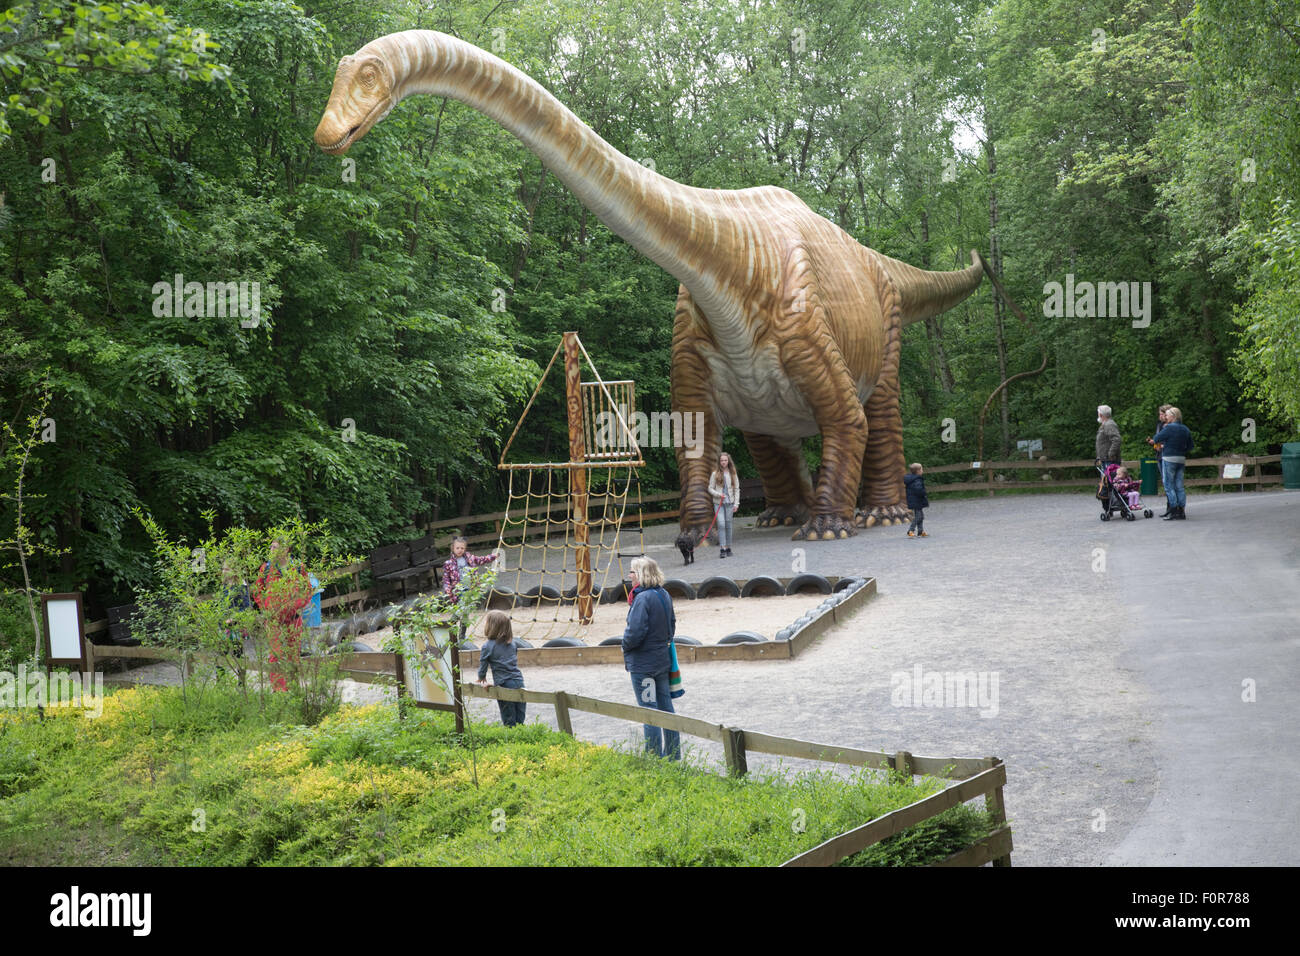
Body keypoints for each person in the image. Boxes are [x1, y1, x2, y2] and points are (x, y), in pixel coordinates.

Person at [620, 556, 680, 760]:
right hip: (662, 661)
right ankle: (673, 756)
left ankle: (653, 758)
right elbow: (672, 625)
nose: (629, 576)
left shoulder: (642, 598)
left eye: (632, 572)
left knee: (649, 712)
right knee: (666, 709)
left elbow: (635, 632)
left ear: (640, 574)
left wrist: (624, 646)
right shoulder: (664, 594)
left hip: (643, 664)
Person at [255, 537, 311, 692]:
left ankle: (293, 688)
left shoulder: (297, 567)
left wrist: (296, 605)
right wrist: (265, 608)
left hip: (293, 619)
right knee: (276, 655)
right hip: (273, 620)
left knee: (293, 654)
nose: (271, 550)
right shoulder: (266, 568)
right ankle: (279, 691)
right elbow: (257, 591)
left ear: (286, 550)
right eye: (271, 547)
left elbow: (307, 590)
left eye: (275, 547)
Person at [477, 610, 525, 727]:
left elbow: (483, 664)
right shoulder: (512, 644)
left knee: (508, 716)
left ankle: (511, 736)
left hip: (504, 684)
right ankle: (521, 734)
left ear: (491, 627)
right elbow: (509, 662)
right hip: (519, 681)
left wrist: (481, 677)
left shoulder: (487, 646)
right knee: (520, 715)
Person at [1150, 407, 1194, 520]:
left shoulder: (1169, 428)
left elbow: (1156, 438)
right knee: (1179, 485)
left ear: (1173, 416)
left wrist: (1166, 445)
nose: (1166, 417)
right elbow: (1190, 446)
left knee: (1169, 485)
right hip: (1181, 458)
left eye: (1168, 415)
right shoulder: (1185, 429)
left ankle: (1173, 510)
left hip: (1169, 457)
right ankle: (1181, 511)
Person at [442, 536, 497, 601]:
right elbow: (446, 579)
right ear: (453, 548)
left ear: (465, 549)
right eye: (457, 548)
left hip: (472, 587)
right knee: (463, 602)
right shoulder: (449, 563)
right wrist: (447, 589)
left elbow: (481, 559)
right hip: (459, 590)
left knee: (478, 600)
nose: (460, 550)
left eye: (462, 548)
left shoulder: (470, 558)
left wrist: (493, 556)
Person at [707, 452, 739, 559]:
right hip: (718, 503)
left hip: (730, 503)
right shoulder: (714, 474)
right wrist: (718, 494)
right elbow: (710, 488)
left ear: (728, 461)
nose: (723, 462)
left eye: (725, 460)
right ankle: (722, 548)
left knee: (728, 525)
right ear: (719, 462)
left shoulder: (733, 473)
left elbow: (736, 489)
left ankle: (728, 547)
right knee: (721, 524)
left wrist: (736, 503)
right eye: (722, 460)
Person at [904, 462, 930, 537]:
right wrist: (924, 493)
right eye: (922, 469)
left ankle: (920, 531)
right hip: (917, 500)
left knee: (920, 516)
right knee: (919, 516)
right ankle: (910, 530)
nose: (922, 471)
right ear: (918, 471)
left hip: (915, 500)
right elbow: (918, 489)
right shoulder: (917, 479)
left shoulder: (912, 479)